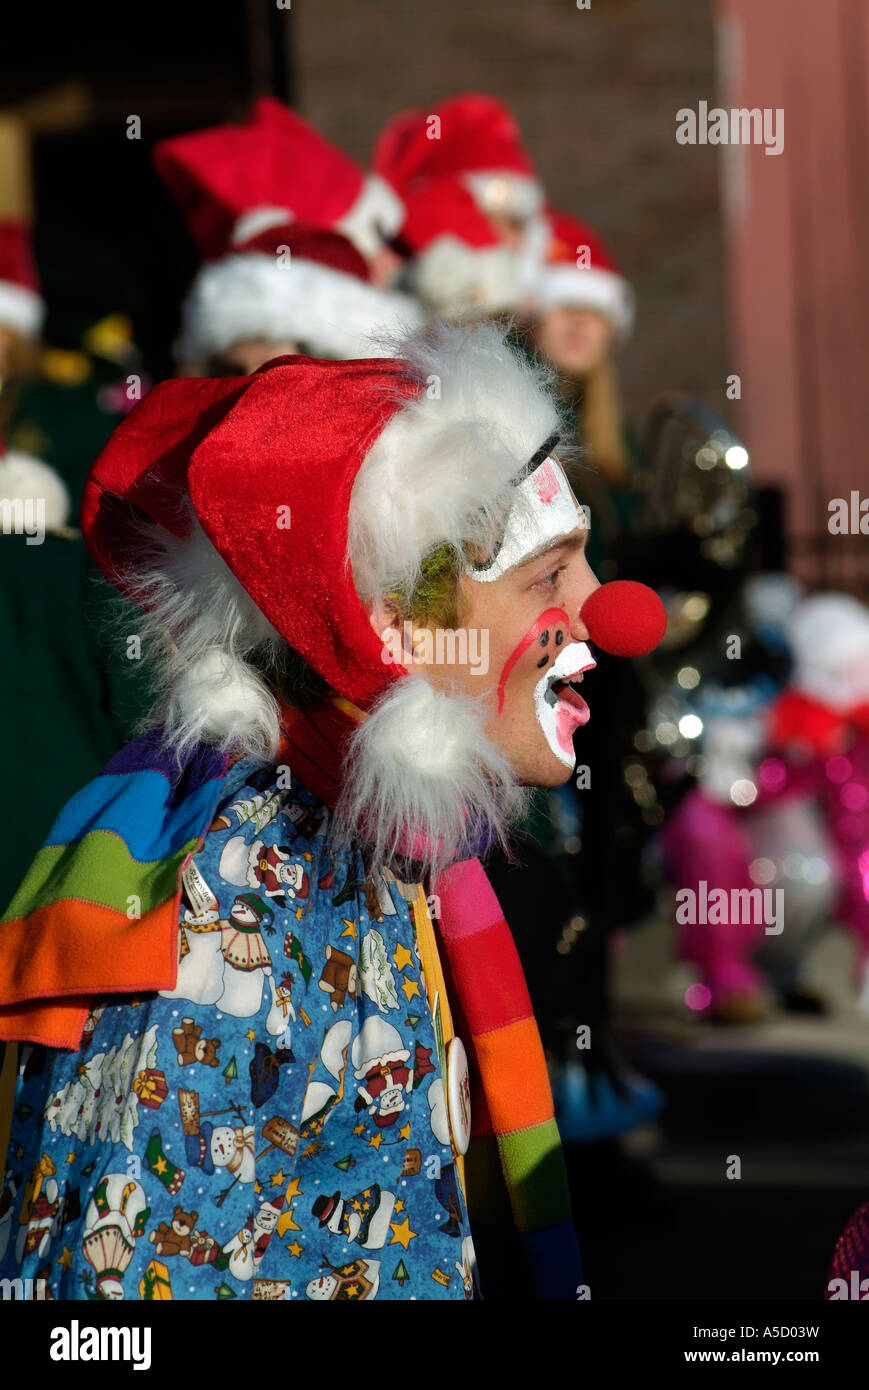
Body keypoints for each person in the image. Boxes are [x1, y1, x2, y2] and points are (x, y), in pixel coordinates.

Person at [0, 320, 669, 1301]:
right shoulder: (234, 896)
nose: (610, 609)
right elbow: (120, 1282)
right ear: (395, 626)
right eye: (548, 573)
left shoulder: (385, 848)